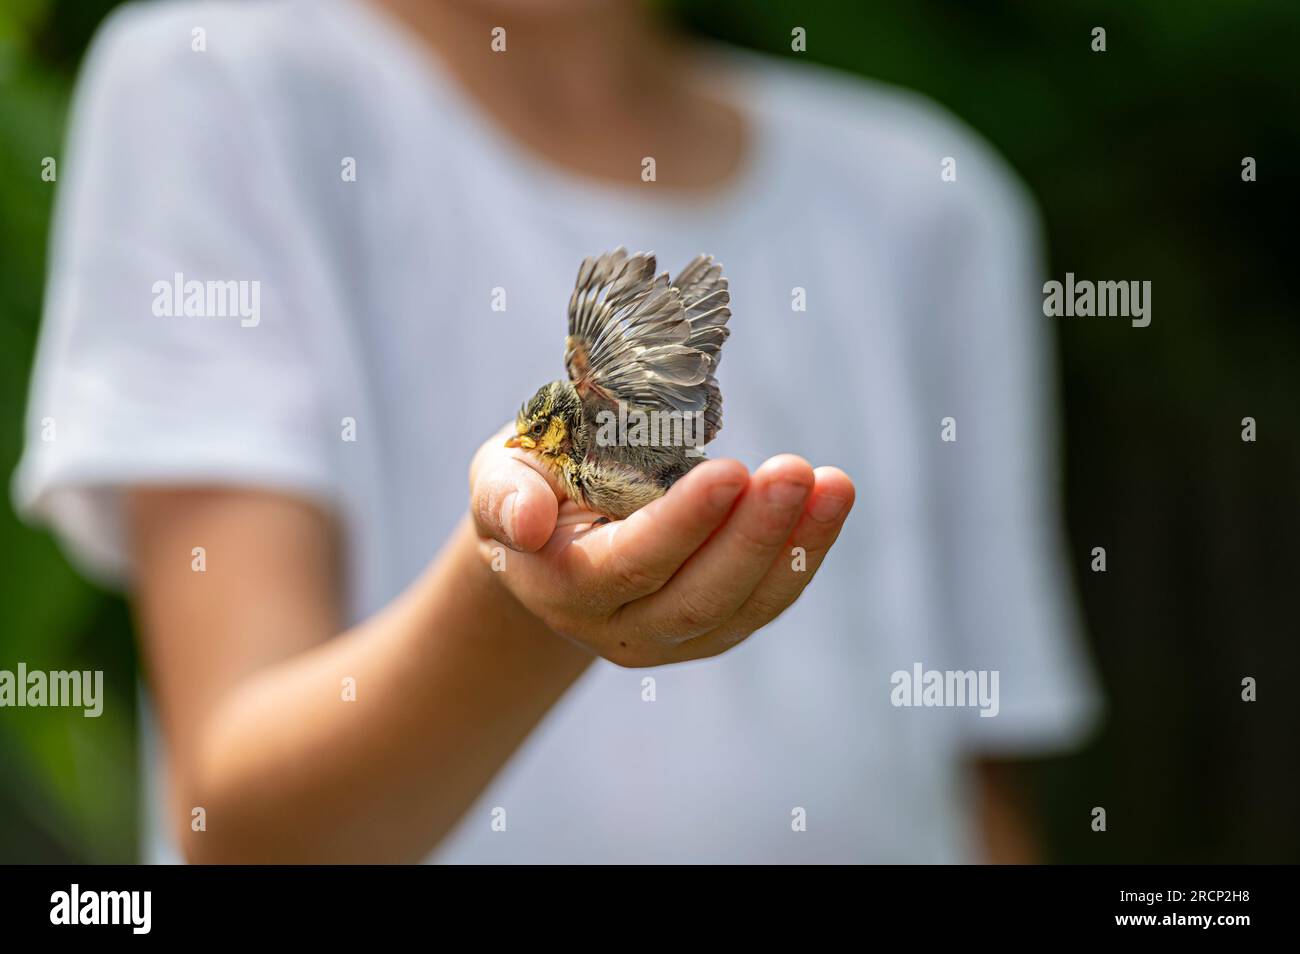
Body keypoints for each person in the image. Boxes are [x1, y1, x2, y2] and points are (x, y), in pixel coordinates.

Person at [14, 0, 1099, 863]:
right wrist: (514, 601)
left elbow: (968, 791)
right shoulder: (212, 76)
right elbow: (235, 824)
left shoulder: (927, 201)